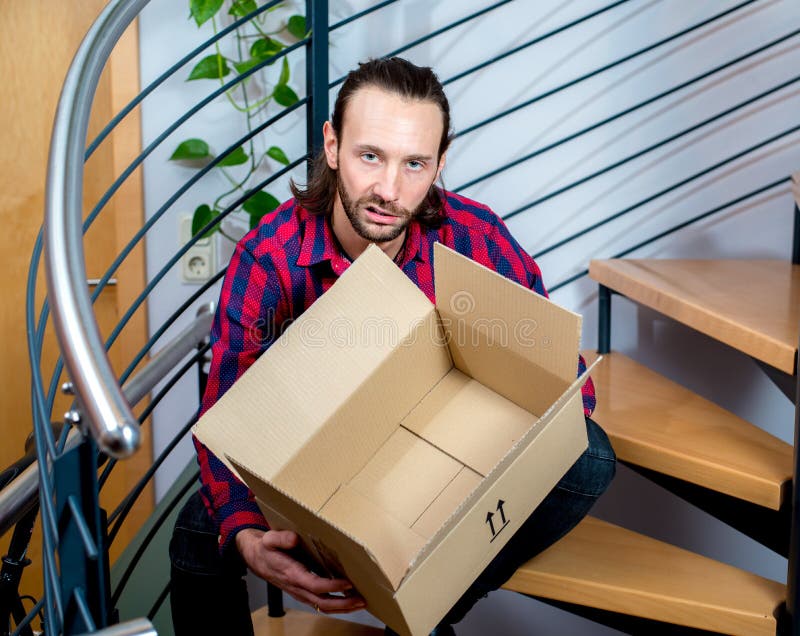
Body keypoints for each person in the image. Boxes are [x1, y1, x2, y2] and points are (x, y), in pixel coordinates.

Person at [170, 56, 616, 636]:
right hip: (327, 461)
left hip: (445, 464)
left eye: (414, 164)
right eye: (370, 155)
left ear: (439, 165)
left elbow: (566, 391)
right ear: (332, 146)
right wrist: (250, 539)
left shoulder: (473, 239)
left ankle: (427, 605)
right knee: (200, 532)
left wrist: (477, 471)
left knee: (591, 456)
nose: (388, 189)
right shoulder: (271, 258)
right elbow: (223, 419)